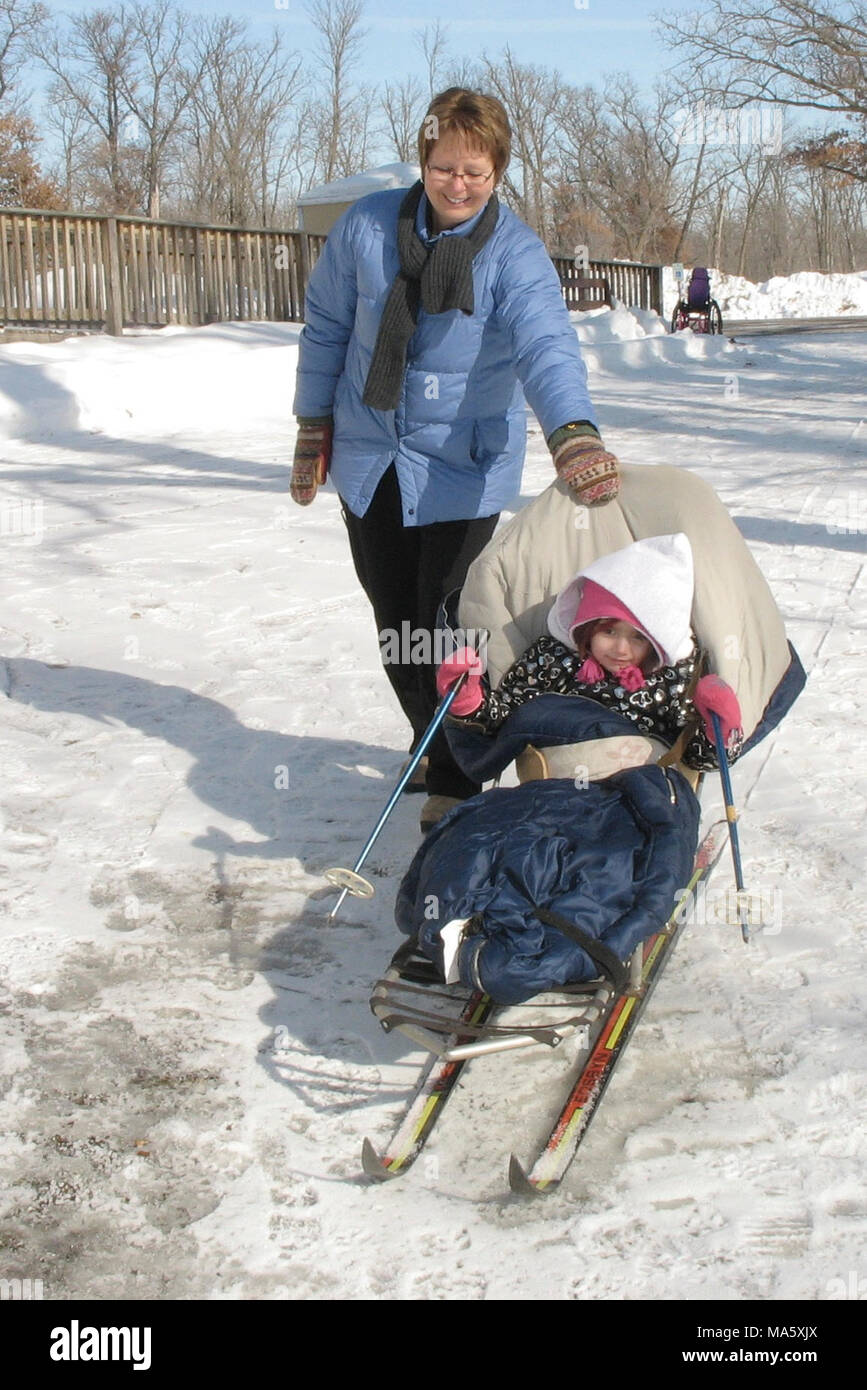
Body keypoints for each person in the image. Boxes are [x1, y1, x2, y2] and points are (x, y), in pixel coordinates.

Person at [290, 87, 620, 832]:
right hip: (372, 457)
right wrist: (313, 425)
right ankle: (432, 736)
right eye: (444, 167)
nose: (457, 184)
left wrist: (571, 430)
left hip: (463, 467)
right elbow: (327, 329)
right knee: (393, 619)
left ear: (497, 171)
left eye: (474, 170)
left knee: (448, 626)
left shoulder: (515, 254)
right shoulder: (366, 228)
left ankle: (453, 775)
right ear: (424, 161)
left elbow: (545, 345)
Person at [436, 533, 744, 773]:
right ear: (587, 626)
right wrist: (469, 701)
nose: (621, 648)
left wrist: (720, 729)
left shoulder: (673, 679)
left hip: (639, 788)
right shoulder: (553, 659)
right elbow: (508, 718)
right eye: (608, 631)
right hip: (556, 784)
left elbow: (696, 760)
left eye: (637, 638)